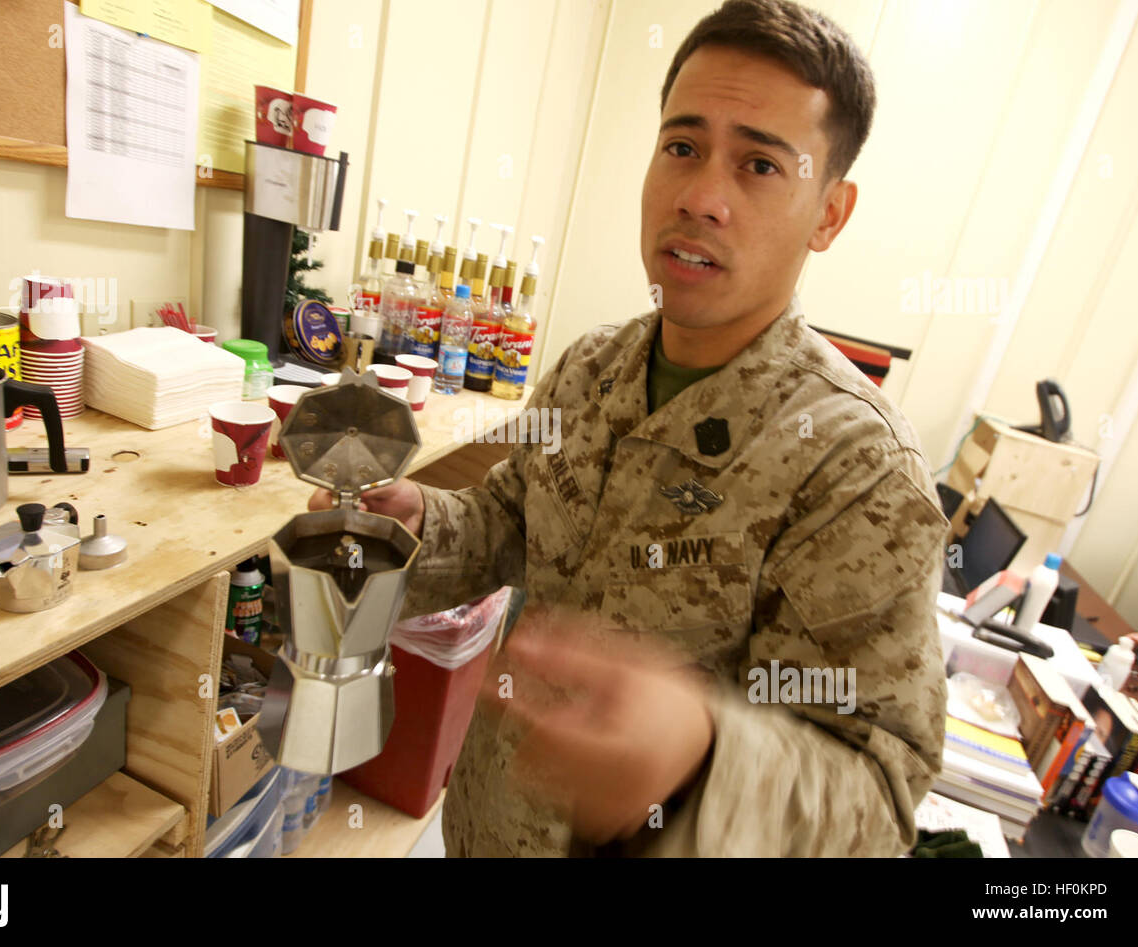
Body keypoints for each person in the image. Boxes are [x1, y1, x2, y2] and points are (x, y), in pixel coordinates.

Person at [310, 0, 949, 857]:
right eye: (682, 147)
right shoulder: (589, 369)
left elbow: (880, 798)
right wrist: (418, 520)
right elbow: (507, 523)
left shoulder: (857, 468)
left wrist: (699, 761)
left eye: (759, 164)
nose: (699, 198)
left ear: (831, 212)